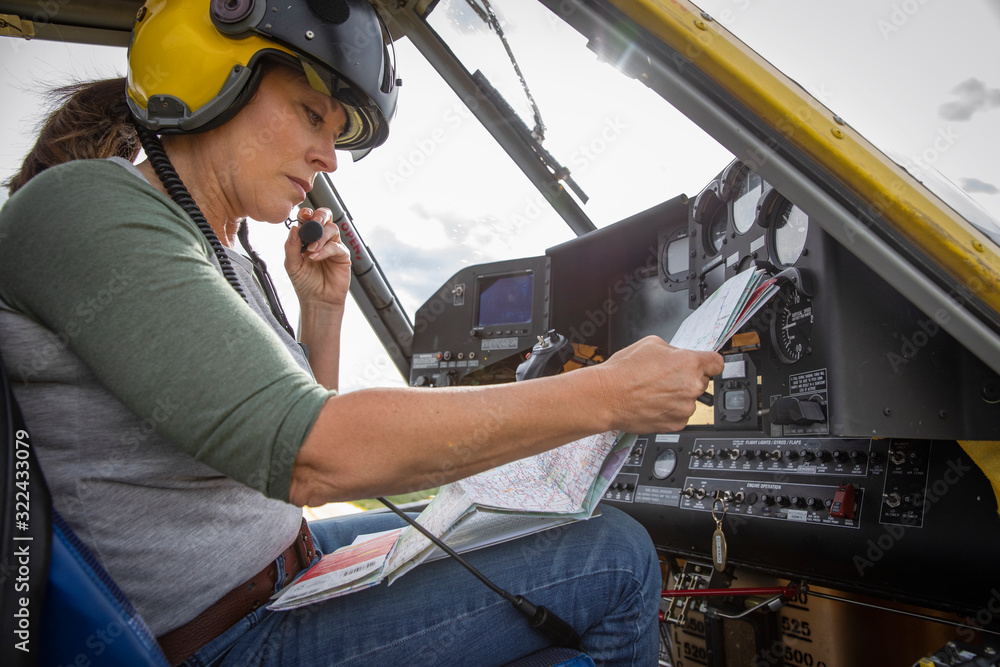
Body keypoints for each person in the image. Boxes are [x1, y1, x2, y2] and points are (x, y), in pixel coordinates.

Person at [0, 0, 723, 664]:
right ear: (214, 74)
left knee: (496, 520)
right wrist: (606, 394)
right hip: (223, 639)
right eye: (312, 114)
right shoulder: (84, 203)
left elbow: (277, 460)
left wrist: (323, 312)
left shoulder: (219, 249)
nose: (329, 157)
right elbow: (316, 455)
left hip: (285, 567)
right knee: (617, 556)